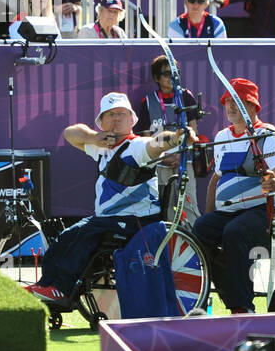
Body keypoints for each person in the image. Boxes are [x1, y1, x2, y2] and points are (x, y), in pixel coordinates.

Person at [24, 92, 184, 304]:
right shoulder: (100, 148)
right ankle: (47, 287)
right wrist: (93, 138)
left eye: (121, 114)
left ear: (131, 119)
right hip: (108, 219)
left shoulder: (136, 147)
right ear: (102, 122)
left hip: (134, 219)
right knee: (66, 236)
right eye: (110, 115)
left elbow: (156, 143)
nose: (116, 119)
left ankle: (62, 290)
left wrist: (174, 138)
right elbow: (70, 132)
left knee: (86, 235)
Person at [194, 77, 275, 314]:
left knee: (235, 232)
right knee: (200, 230)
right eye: (227, 101)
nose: (229, 106)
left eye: (236, 102)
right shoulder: (221, 137)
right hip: (229, 212)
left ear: (252, 106)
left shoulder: (269, 134)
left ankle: (242, 307)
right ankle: (207, 300)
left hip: (268, 213)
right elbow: (215, 180)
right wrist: (210, 214)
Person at [132, 53, 202, 220]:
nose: (172, 77)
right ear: (157, 77)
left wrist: (181, 155)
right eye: (167, 73)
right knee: (165, 209)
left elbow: (194, 131)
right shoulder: (147, 101)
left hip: (185, 161)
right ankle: (169, 245)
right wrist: (164, 158)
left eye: (175, 72)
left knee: (189, 206)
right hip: (160, 165)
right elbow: (146, 140)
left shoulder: (186, 96)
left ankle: (193, 244)